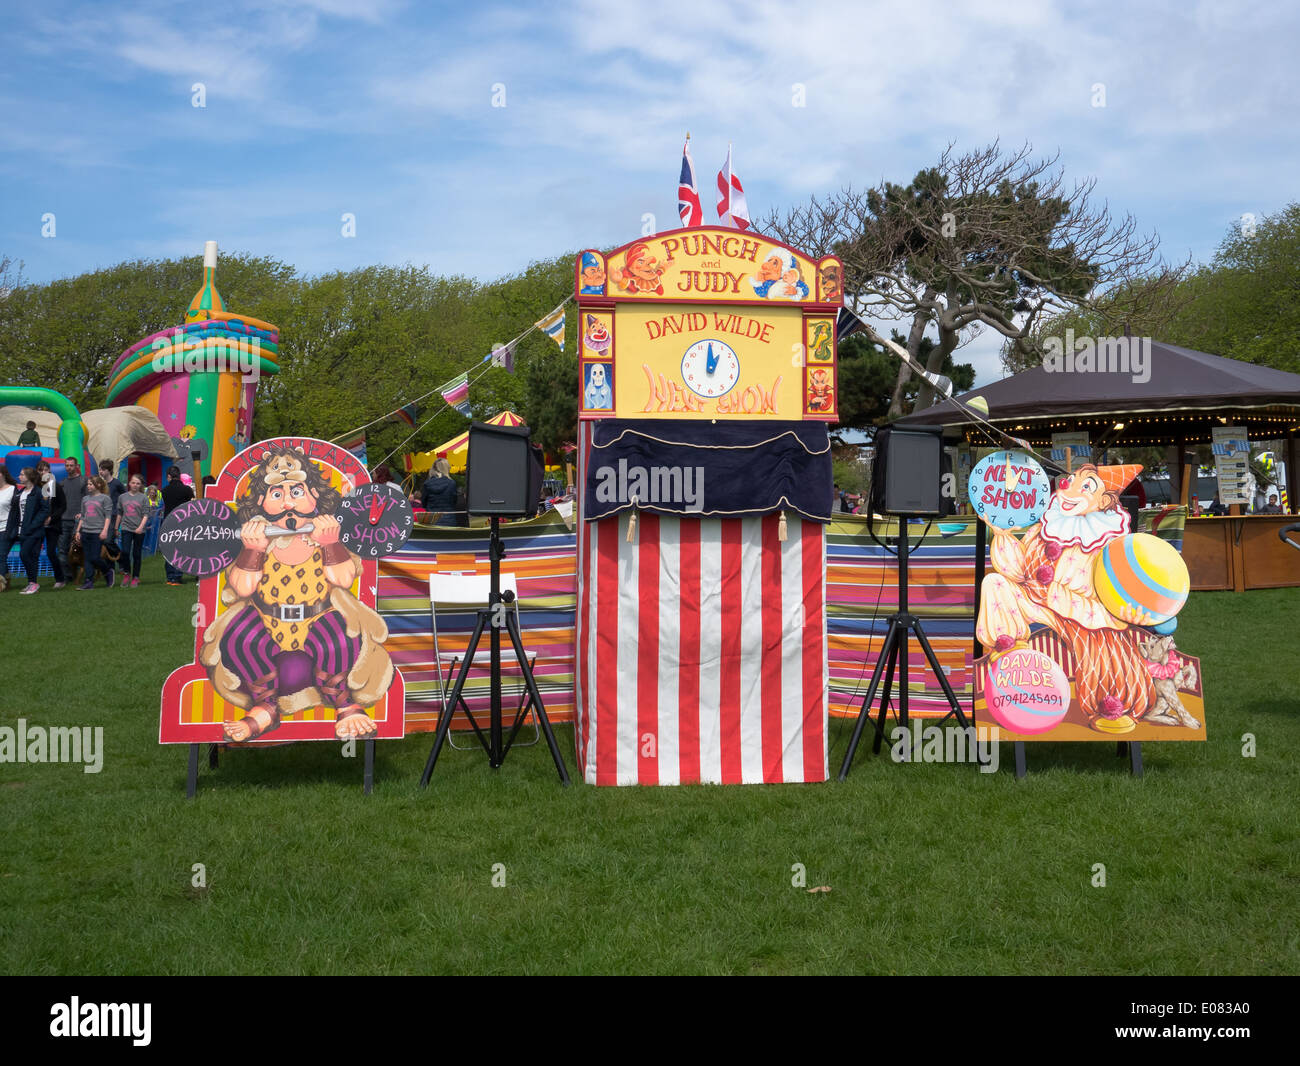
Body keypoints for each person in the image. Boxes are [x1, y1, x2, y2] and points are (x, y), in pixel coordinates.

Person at [13, 468, 50, 594]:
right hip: (22, 530)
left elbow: (45, 510)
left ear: (29, 476)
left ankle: (33, 583)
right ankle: (32, 583)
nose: (19, 476)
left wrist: (33, 525)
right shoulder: (21, 492)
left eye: (22, 474)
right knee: (30, 557)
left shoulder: (39, 492)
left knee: (25, 554)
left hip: (34, 531)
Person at [75, 476, 114, 589]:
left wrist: (105, 530)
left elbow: (108, 516)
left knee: (95, 557)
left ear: (99, 485)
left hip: (98, 532)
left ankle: (108, 571)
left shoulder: (105, 499)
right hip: (86, 531)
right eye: (88, 484)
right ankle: (88, 581)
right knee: (87, 557)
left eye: (91, 484)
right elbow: (83, 516)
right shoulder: (85, 499)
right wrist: (78, 531)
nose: (88, 486)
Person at [35, 459, 68, 588]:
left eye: (45, 469)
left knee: (51, 552)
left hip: (53, 526)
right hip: (39, 525)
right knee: (34, 552)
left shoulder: (55, 486)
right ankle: (32, 580)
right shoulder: (37, 487)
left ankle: (60, 579)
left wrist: (52, 518)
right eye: (40, 470)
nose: (43, 472)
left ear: (49, 471)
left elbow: (62, 506)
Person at [116, 474, 153, 587]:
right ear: (129, 483)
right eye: (133, 482)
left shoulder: (143, 498)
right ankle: (127, 573)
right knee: (125, 552)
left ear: (141, 485)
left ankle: (136, 577)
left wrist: (140, 527)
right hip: (126, 527)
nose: (135, 485)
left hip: (139, 529)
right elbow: (119, 513)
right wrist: (116, 527)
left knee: (137, 554)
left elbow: (146, 515)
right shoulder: (122, 497)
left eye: (138, 483)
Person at [161, 465, 195, 585]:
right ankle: (177, 576)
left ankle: (170, 576)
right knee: (180, 550)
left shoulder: (164, 491)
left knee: (169, 550)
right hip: (183, 522)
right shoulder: (187, 490)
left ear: (169, 476)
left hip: (169, 522)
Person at [54, 456, 85, 581]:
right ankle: (68, 576)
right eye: (67, 465)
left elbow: (88, 500)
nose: (69, 467)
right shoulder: (62, 483)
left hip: (78, 521)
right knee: (62, 550)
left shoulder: (83, 481)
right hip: (63, 520)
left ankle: (84, 574)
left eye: (71, 465)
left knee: (78, 548)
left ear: (77, 466)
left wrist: (83, 513)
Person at [420, 458, 459, 526]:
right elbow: (454, 501)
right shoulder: (451, 483)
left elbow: (424, 503)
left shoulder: (427, 484)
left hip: (431, 520)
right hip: (449, 520)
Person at [0, 468, 15, 591]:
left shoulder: (12, 490)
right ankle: (7, 579)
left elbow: (16, 511)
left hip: (7, 528)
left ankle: (2, 583)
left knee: (1, 555)